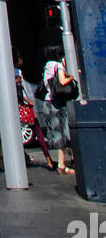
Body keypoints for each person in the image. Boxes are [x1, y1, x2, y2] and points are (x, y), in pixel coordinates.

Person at [42, 45, 75, 175]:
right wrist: (71, 77)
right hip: (58, 102)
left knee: (56, 132)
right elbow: (62, 81)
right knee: (64, 132)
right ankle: (62, 165)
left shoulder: (47, 66)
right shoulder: (58, 66)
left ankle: (63, 163)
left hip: (48, 101)